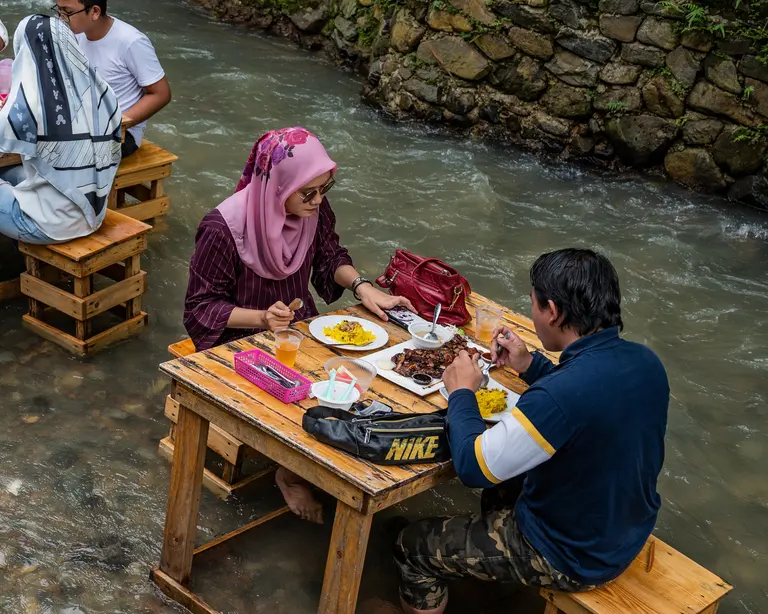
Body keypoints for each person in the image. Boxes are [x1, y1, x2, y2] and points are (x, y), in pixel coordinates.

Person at [391, 249, 669, 614]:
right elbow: (588, 400)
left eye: (535, 305)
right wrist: (529, 364)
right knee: (506, 484)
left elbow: (473, 468)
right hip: (623, 530)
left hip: (572, 554)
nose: (535, 313)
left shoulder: (558, 395)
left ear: (552, 311)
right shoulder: (645, 361)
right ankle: (493, 577)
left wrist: (461, 391)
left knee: (410, 548)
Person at [183, 127, 415, 522]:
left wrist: (363, 288)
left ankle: (314, 463)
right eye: (308, 193)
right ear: (277, 185)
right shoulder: (223, 228)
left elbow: (330, 257)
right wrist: (261, 318)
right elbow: (200, 307)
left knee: (358, 378)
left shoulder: (314, 211)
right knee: (305, 391)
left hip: (296, 325)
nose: (318, 201)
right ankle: (290, 473)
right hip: (239, 338)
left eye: (325, 189)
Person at [0, 14, 121, 295]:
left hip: (48, 224)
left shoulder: (30, 108)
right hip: (91, 212)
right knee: (5, 174)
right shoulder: (103, 94)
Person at [53, 0, 170, 156]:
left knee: (56, 153)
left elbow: (161, 94)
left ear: (95, 12)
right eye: (59, 10)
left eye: (68, 12)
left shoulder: (131, 42)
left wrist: (120, 122)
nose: (60, 18)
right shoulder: (73, 33)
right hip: (79, 123)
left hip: (120, 136)